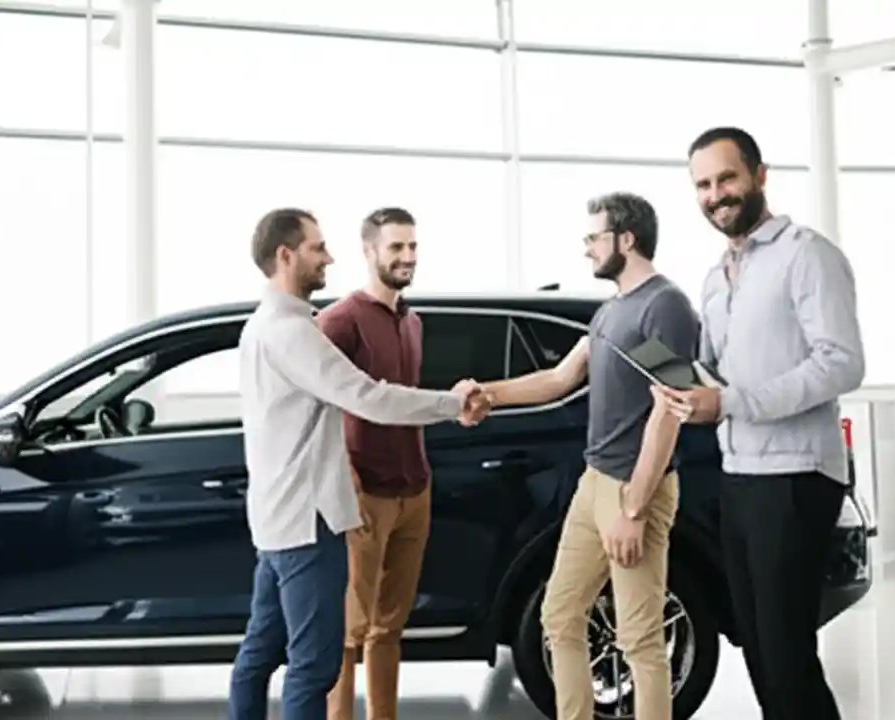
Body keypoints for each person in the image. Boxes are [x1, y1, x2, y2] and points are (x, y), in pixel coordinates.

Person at [228, 207, 488, 720]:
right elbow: (368, 397)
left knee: (259, 655)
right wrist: (450, 403)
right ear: (286, 255)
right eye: (317, 247)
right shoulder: (295, 334)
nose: (328, 256)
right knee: (315, 666)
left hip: (278, 522)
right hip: (308, 525)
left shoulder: (261, 328)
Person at [656, 127, 865, 720]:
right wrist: (683, 380)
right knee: (758, 649)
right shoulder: (715, 278)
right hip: (740, 475)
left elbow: (842, 362)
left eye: (727, 178)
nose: (716, 194)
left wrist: (730, 403)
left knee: (786, 650)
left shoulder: (807, 254)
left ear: (760, 176)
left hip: (797, 475)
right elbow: (718, 371)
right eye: (703, 184)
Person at [481, 192, 699, 720]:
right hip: (594, 482)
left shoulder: (663, 307)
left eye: (593, 237)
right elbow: (560, 378)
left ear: (627, 239)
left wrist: (634, 509)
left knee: (640, 639)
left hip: (633, 489)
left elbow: (668, 412)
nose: (586, 249)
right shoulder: (612, 313)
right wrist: (488, 394)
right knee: (559, 616)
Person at [315, 208, 479, 720]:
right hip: (364, 492)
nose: (407, 257)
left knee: (389, 627)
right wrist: (343, 477)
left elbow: (406, 402)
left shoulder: (413, 320)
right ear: (369, 252)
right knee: (348, 629)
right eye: (396, 248)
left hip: (415, 490)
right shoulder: (339, 321)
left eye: (412, 247)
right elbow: (314, 405)